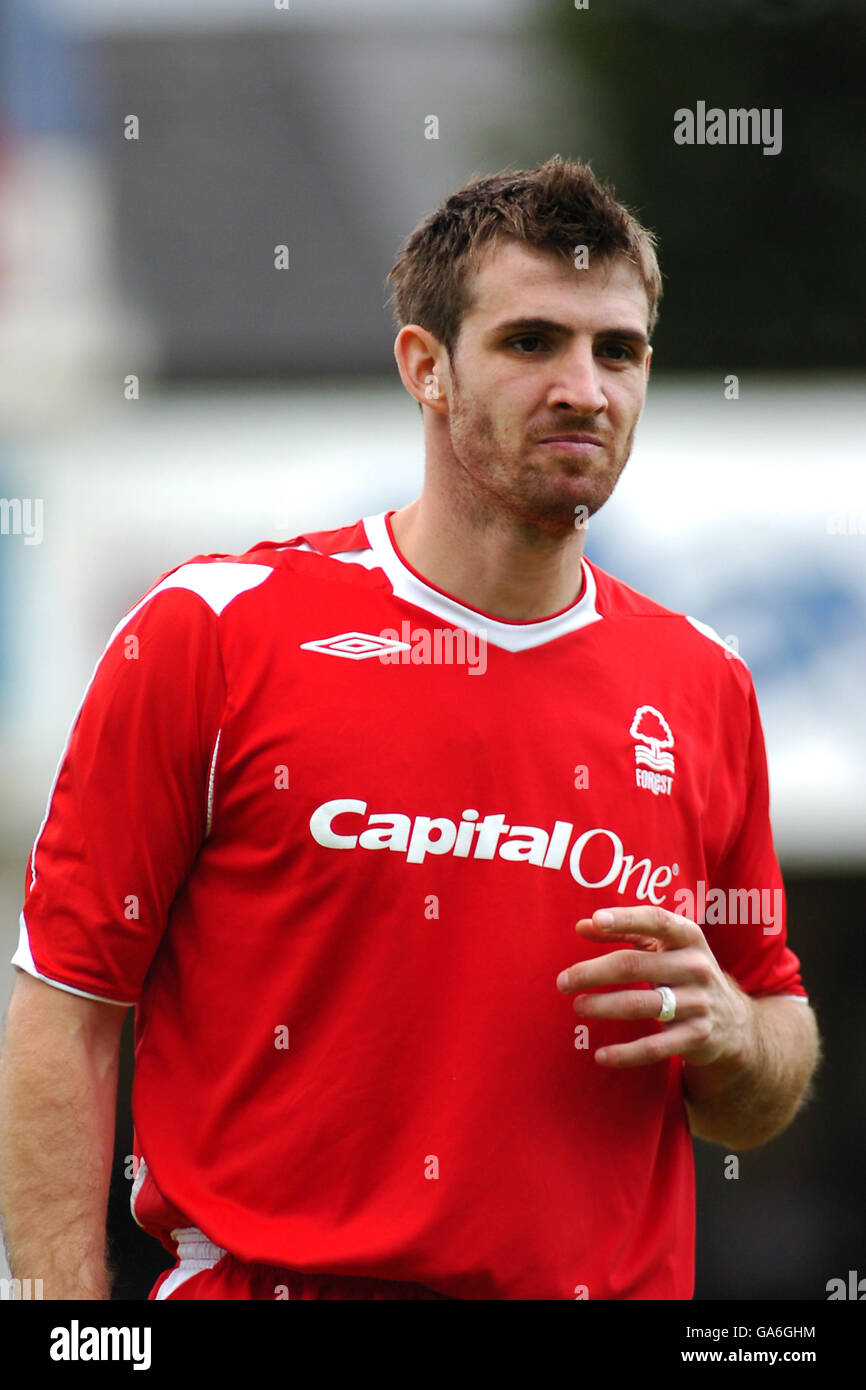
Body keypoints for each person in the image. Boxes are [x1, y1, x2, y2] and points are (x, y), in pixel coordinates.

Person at [0, 155, 820, 1301]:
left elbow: (767, 1055)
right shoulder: (214, 632)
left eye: (616, 350)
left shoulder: (703, 684)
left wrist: (735, 1030)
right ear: (424, 368)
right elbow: (67, 1008)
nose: (584, 386)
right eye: (531, 341)